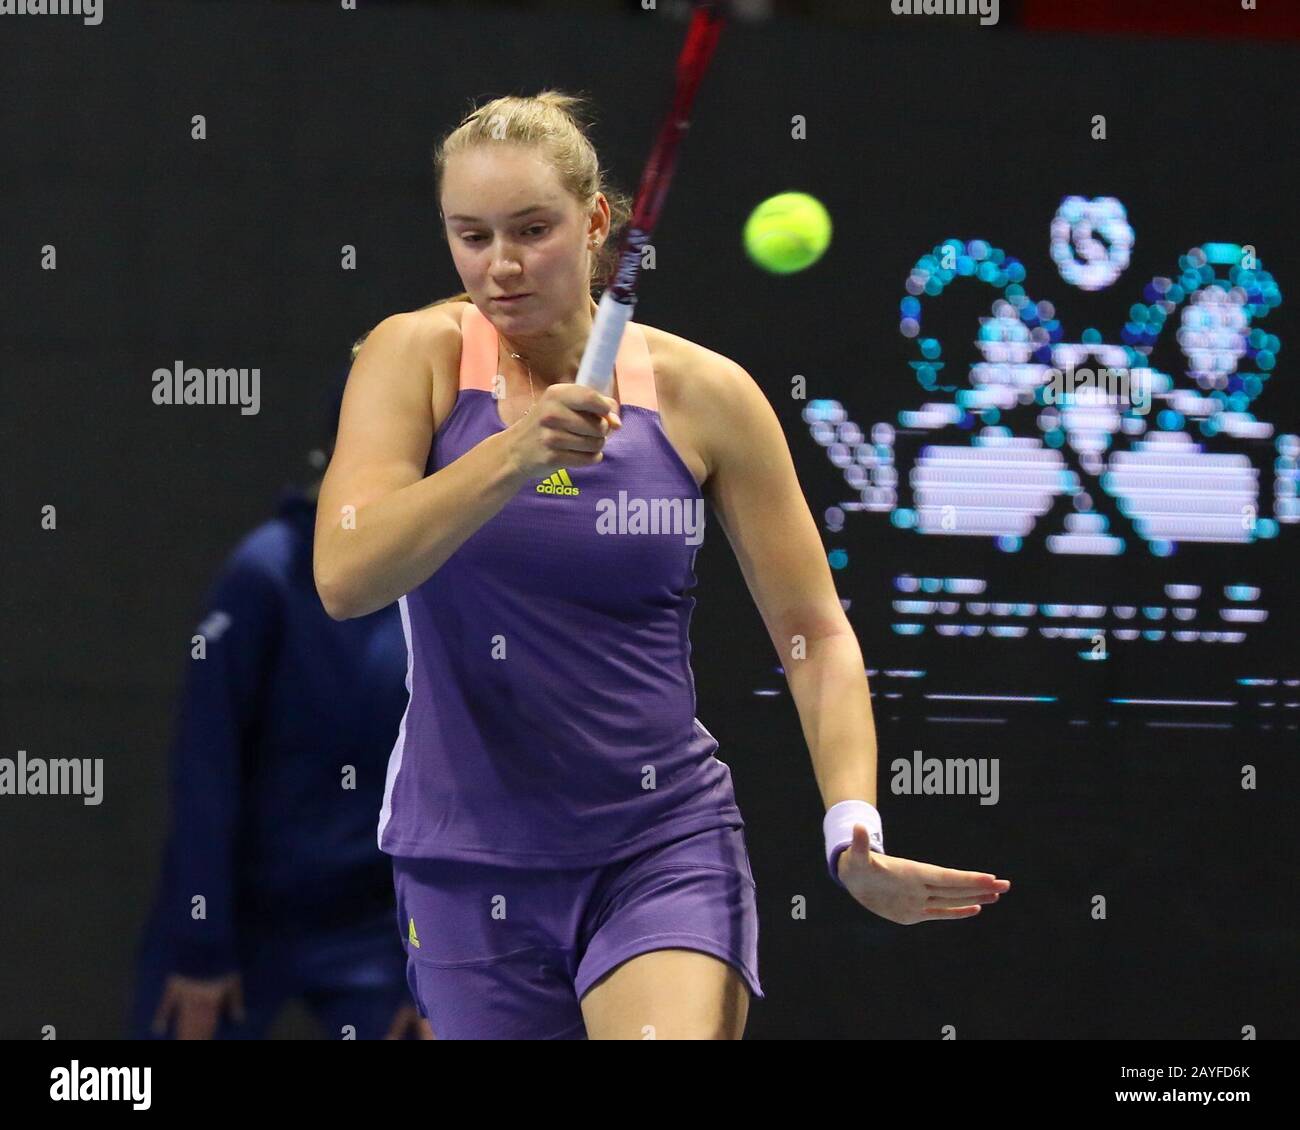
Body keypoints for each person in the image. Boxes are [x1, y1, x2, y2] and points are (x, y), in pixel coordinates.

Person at [315, 89, 1010, 1040]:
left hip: (659, 844)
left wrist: (854, 824)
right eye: (470, 236)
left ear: (597, 222)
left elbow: (813, 633)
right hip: (464, 862)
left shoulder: (704, 396)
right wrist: (517, 454)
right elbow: (348, 575)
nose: (502, 266)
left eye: (532, 229)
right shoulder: (416, 357)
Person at [130, 380, 432, 1040]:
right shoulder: (263, 574)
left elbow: (461, 788)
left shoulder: (440, 591)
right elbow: (205, 767)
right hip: (241, 918)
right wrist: (200, 941)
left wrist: (431, 966)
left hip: (376, 933)